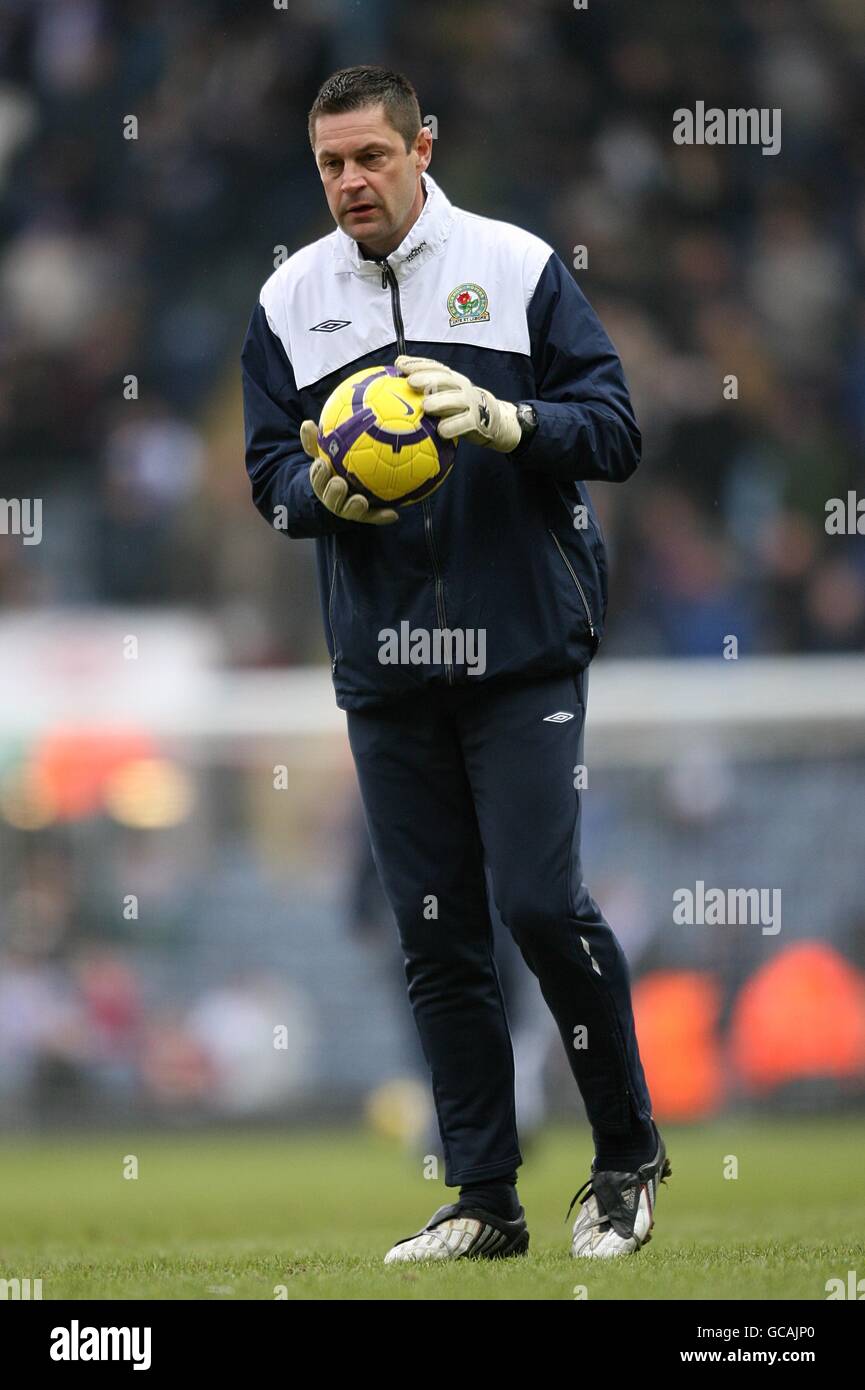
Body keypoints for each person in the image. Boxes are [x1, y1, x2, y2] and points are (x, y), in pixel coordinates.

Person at [241, 64, 671, 1262]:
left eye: (371, 157)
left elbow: (617, 429)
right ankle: (487, 1200)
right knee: (434, 935)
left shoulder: (520, 267)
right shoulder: (285, 302)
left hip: (523, 646)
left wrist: (507, 420)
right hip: (385, 666)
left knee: (536, 904)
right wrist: (313, 495)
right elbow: (268, 480)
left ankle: (628, 1157)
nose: (350, 183)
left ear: (423, 145)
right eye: (330, 164)